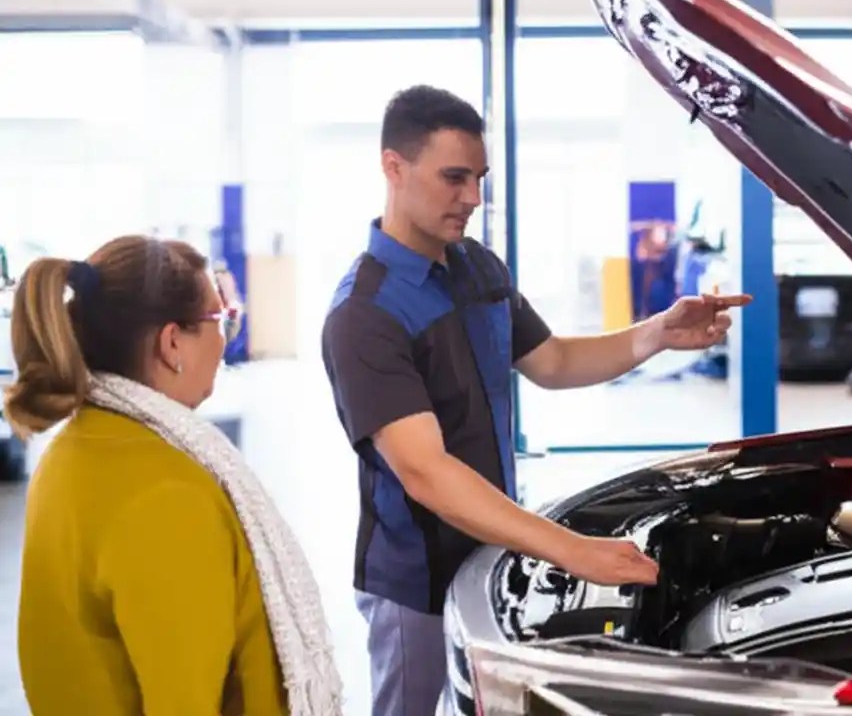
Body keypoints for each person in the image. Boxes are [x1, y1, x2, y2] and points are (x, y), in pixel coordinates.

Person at [320, 84, 752, 715]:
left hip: (494, 552)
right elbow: (427, 473)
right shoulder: (365, 313)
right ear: (393, 167)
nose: (472, 197)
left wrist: (657, 332)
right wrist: (574, 551)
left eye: (480, 178)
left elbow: (552, 362)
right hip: (415, 583)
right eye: (454, 177)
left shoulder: (477, 268)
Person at [9, 236, 344, 716]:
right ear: (172, 344)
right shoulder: (168, 497)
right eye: (220, 319)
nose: (226, 336)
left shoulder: (71, 451)